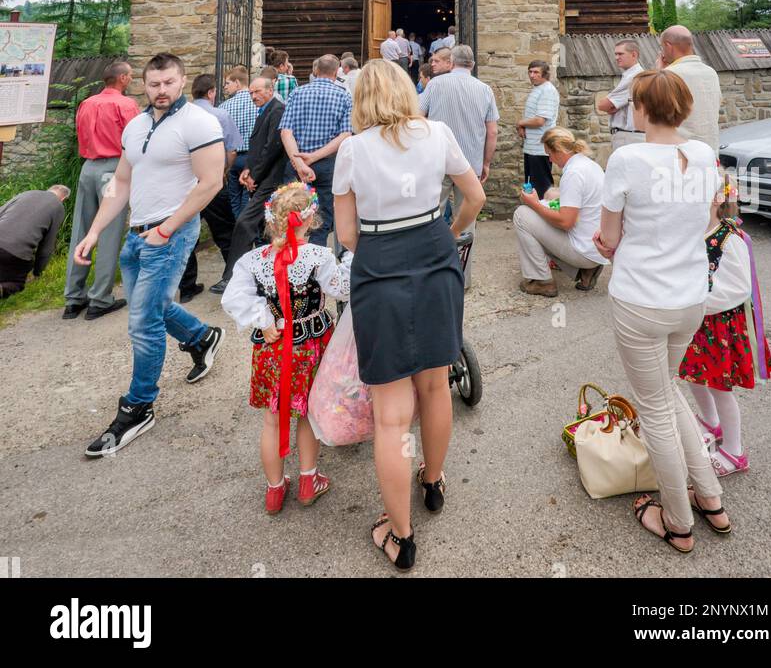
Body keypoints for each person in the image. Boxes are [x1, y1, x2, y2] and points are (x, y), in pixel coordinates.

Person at [333, 60, 485, 572]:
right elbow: (475, 197)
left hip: (380, 268)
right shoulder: (437, 133)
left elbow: (347, 235)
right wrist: (447, 232)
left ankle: (401, 534)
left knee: (392, 414)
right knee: (436, 386)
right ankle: (433, 480)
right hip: (436, 259)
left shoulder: (352, 149)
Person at [593, 68, 730, 552]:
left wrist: (611, 244)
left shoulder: (627, 158)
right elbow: (712, 220)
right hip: (690, 297)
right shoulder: (702, 154)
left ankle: (677, 519)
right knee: (667, 393)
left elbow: (609, 238)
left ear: (642, 109)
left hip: (642, 299)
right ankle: (710, 497)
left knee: (654, 409)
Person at [75, 54, 226, 457]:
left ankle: (138, 406)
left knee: (143, 323)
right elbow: (121, 182)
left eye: (169, 83)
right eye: (155, 84)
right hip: (138, 234)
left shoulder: (198, 122)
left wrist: (167, 228)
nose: (162, 90)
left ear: (182, 82)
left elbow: (211, 182)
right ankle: (202, 336)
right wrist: (94, 231)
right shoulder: (136, 125)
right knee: (154, 307)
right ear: (144, 83)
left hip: (169, 233)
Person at [222, 180, 351, 514]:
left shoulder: (253, 261)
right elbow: (341, 288)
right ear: (310, 220)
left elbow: (233, 297)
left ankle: (275, 491)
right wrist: (352, 257)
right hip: (310, 345)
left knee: (272, 418)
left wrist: (265, 320)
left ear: (271, 221)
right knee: (305, 413)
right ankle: (309, 481)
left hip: (272, 348)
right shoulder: (317, 256)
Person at [679, 181, 771, 477]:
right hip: (697, 321)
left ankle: (734, 451)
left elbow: (737, 288)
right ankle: (709, 422)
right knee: (693, 373)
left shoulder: (729, 238)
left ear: (718, 198)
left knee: (720, 387)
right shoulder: (692, 233)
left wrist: (696, 299)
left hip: (720, 326)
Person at [63, 60, 141, 320]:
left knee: (82, 229)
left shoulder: (87, 103)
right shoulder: (126, 105)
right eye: (129, 76)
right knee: (108, 232)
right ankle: (100, 298)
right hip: (112, 169)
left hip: (88, 168)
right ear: (123, 79)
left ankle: (73, 297)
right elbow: (135, 140)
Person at [513, 128, 607, 297]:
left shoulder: (573, 173)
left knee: (521, 215)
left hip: (585, 250)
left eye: (550, 154)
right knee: (547, 201)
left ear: (559, 150)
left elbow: (566, 222)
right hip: (596, 246)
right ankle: (585, 271)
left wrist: (534, 204)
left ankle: (541, 281)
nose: (550, 159)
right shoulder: (589, 165)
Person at [178, 73, 244, 300]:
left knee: (187, 235)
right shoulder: (221, 114)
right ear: (211, 92)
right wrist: (223, 172)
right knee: (225, 232)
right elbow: (232, 150)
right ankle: (234, 278)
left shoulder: (180, 116)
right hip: (214, 183)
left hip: (186, 183)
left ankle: (187, 288)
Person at [418, 44, 498, 227]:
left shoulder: (435, 85)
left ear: (452, 62)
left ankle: (434, 253)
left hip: (439, 158)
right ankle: (464, 255)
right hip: (470, 162)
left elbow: (417, 118)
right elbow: (492, 131)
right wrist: (486, 163)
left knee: (432, 213)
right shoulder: (485, 90)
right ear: (473, 64)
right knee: (467, 215)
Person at [280, 55, 352, 250]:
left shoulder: (297, 93)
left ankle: (290, 257)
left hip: (297, 161)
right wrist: (315, 157)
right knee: (324, 215)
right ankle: (316, 262)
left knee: (292, 212)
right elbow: (345, 134)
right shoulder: (344, 96)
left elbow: (286, 132)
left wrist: (301, 162)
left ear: (315, 71)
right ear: (337, 72)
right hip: (327, 163)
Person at [222, 77, 288, 284]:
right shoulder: (264, 110)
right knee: (265, 227)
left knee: (245, 222)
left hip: (271, 177)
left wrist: (254, 175)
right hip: (261, 174)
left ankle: (231, 275)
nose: (253, 96)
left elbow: (272, 148)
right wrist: (249, 169)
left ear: (270, 90)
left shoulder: (277, 109)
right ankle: (265, 273)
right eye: (251, 93)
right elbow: (258, 146)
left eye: (257, 92)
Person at [658, 26, 722, 152]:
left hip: (681, 152)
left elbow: (656, 113)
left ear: (668, 45)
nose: (662, 52)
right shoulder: (711, 72)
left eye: (662, 47)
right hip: (710, 150)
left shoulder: (669, 74)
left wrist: (659, 72)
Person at [0, 185, 69, 298]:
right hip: (14, 254)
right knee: (17, 283)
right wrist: (37, 273)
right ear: (63, 199)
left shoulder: (27, 193)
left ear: (49, 190)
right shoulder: (58, 206)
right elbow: (46, 248)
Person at [516, 60, 559, 198]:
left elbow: (540, 120)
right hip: (532, 147)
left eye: (536, 72)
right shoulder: (539, 89)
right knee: (531, 188)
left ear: (545, 74)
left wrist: (520, 123)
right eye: (530, 71)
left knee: (541, 190)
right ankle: (533, 217)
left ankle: (543, 217)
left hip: (540, 149)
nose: (532, 75)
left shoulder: (547, 90)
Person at [218, 66, 257, 218]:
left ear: (237, 83)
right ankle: (250, 231)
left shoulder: (223, 107)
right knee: (249, 196)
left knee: (234, 197)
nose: (225, 87)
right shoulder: (257, 102)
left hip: (232, 157)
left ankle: (238, 229)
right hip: (253, 157)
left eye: (227, 83)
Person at [597, 39, 645, 151]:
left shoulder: (635, 77)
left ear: (634, 54)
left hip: (627, 136)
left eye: (620, 54)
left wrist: (611, 105)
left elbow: (603, 105)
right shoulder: (631, 75)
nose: (617, 58)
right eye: (615, 54)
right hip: (627, 136)